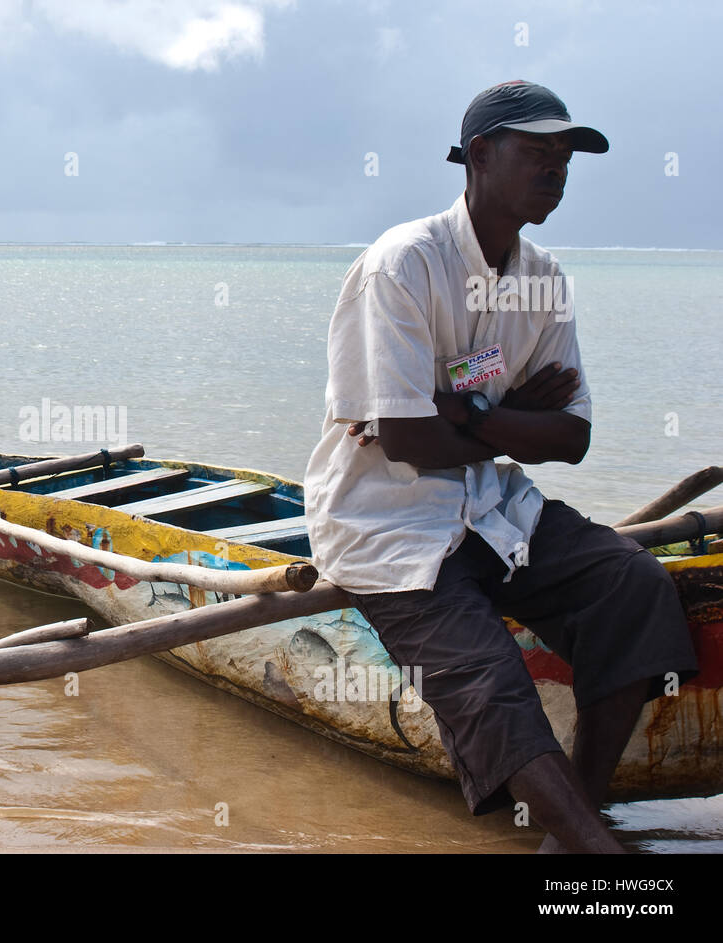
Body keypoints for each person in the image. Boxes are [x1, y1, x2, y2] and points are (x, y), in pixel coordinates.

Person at [302, 80, 699, 853]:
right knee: (491, 680)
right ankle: (602, 858)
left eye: (564, 159)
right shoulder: (403, 265)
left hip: (492, 505)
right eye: (538, 153)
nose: (556, 171)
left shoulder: (544, 278)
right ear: (479, 155)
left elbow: (575, 435)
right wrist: (516, 418)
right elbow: (411, 446)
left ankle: (572, 832)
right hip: (389, 521)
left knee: (634, 587)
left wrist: (474, 415)